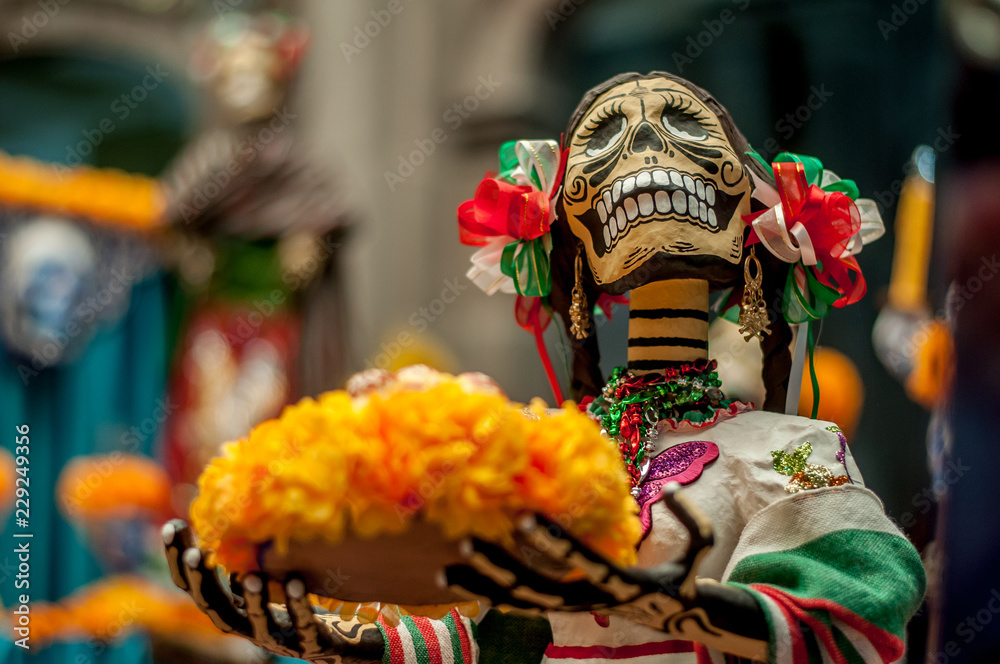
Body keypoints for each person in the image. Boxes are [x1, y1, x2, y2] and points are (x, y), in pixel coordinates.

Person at [164, 72, 925, 664]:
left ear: (749, 216)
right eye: (607, 136)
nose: (646, 148)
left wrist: (657, 604)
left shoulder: (788, 451)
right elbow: (506, 642)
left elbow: (856, 620)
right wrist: (330, 637)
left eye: (686, 126)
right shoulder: (557, 455)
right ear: (568, 236)